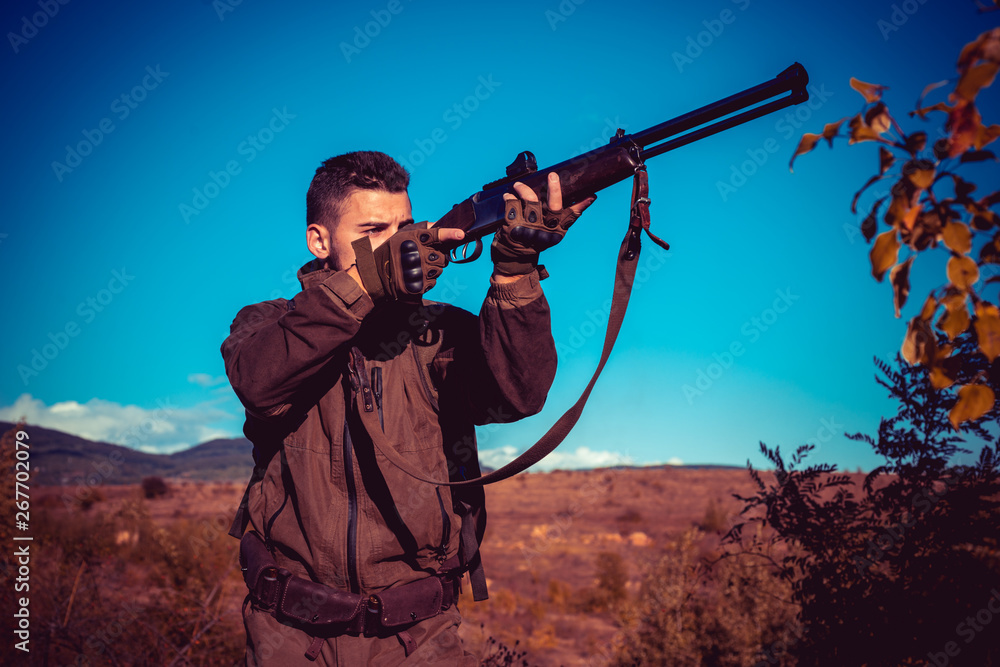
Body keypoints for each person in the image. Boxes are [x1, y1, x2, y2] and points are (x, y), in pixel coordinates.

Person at [222, 150, 593, 665]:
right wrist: (365, 286)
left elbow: (517, 394)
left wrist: (515, 271)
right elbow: (259, 382)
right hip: (286, 635)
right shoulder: (270, 322)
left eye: (404, 226)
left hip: (417, 640)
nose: (397, 242)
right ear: (319, 240)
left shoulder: (438, 330)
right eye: (374, 230)